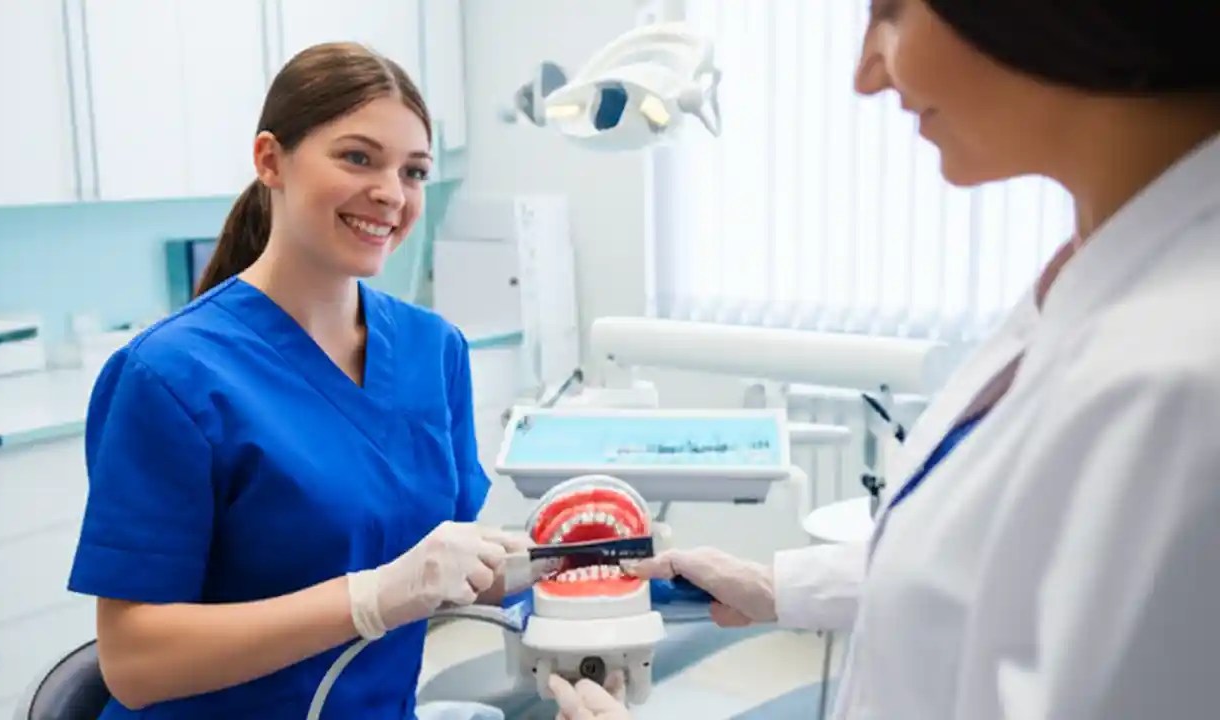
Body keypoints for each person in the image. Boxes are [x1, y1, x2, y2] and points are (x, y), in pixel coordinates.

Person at [550, 1, 1220, 718]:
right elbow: (995, 565)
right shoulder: (1101, 270)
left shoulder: (1182, 381)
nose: (868, 72)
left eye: (893, 12)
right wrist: (777, 583)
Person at [67, 42, 527, 719]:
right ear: (269, 160)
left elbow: (451, 574)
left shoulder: (435, 351)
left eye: (414, 171)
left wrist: (633, 561)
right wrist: (370, 599)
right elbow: (134, 663)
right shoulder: (171, 375)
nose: (391, 194)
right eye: (358, 157)